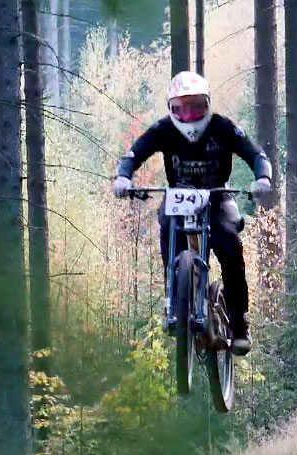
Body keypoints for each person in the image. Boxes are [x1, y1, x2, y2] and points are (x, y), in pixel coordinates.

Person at [112, 71, 272, 355]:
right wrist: (124, 178)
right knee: (166, 230)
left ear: (207, 103)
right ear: (171, 109)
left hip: (217, 195)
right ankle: (175, 299)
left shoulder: (223, 128)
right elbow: (134, 154)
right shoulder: (163, 130)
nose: (189, 115)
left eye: (196, 105)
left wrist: (262, 178)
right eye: (181, 108)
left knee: (230, 245)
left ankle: (238, 323)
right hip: (178, 197)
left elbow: (255, 153)